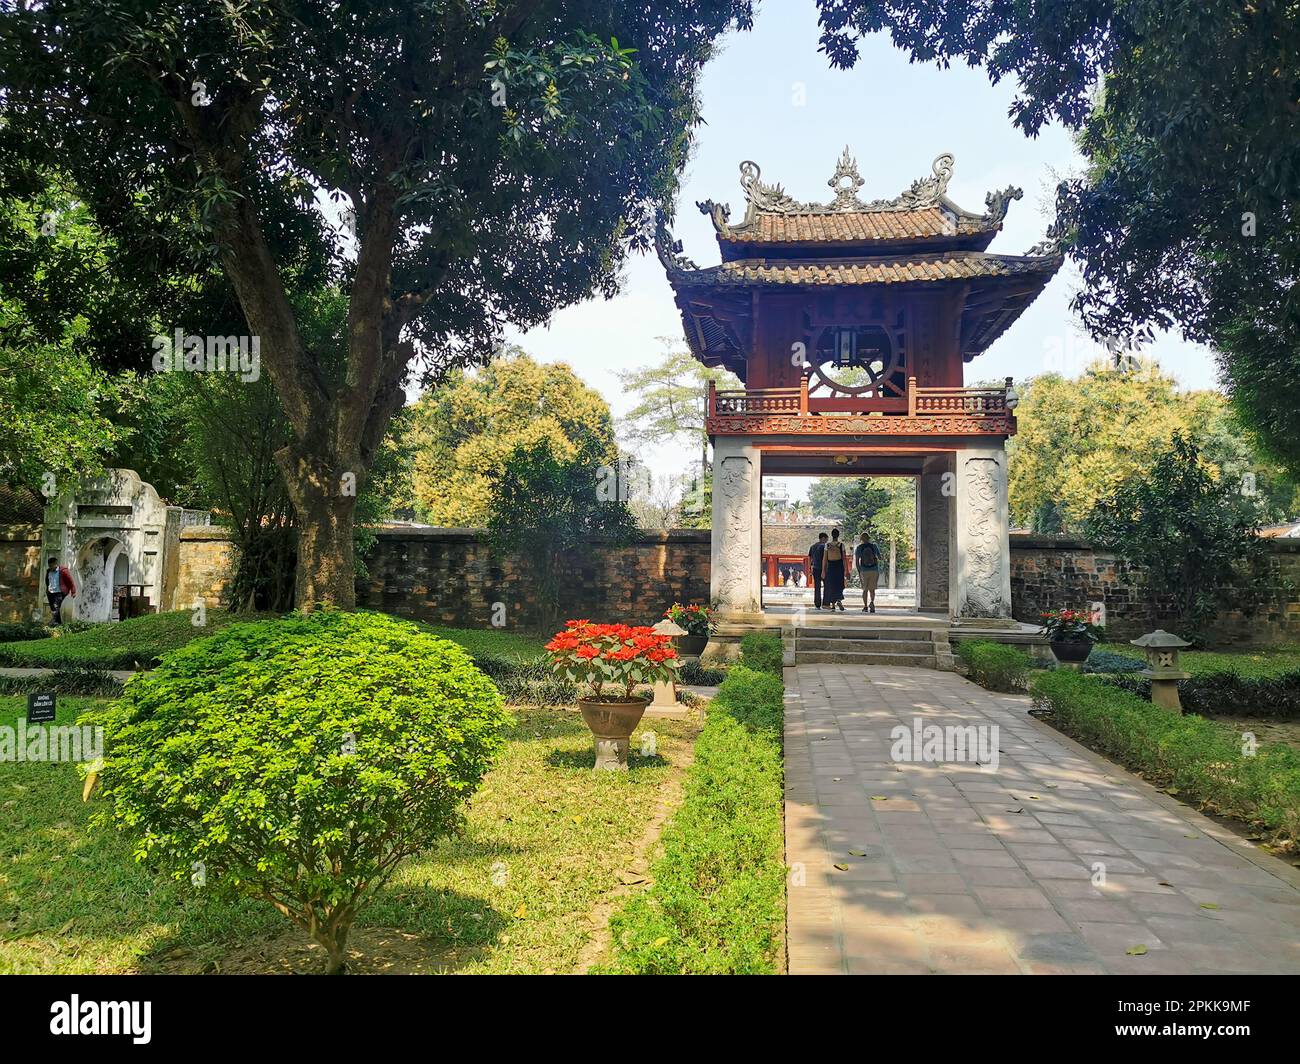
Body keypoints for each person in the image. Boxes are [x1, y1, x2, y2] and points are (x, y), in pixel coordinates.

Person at [45, 556, 76, 626]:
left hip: (60, 592)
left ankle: (52, 622)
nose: (50, 567)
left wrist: (73, 591)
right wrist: (47, 590)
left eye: (51, 565)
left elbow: (70, 581)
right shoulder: (48, 571)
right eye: (49, 566)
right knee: (54, 608)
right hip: (50, 593)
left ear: (55, 564)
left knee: (56, 607)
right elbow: (47, 581)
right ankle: (58, 624)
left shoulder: (63, 570)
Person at [855, 533, 881, 614]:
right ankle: (872, 603)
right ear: (869, 538)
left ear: (861, 539)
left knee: (865, 590)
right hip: (874, 570)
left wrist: (859, 571)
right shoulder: (874, 546)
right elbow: (880, 557)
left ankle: (865, 606)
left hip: (864, 570)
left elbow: (857, 561)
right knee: (872, 589)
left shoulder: (859, 547)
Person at [821, 528, 846, 611]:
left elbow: (824, 559)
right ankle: (838, 600)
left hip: (831, 566)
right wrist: (846, 570)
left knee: (831, 584)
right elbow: (844, 559)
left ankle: (832, 604)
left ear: (831, 535)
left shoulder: (827, 545)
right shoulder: (841, 545)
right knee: (839, 584)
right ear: (838, 535)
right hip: (839, 566)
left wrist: (823, 571)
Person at [808, 532, 828, 609]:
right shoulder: (824, 547)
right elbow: (825, 558)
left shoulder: (812, 546)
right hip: (823, 568)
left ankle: (817, 603)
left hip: (815, 568)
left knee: (817, 587)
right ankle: (825, 603)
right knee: (826, 586)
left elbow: (809, 557)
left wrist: (810, 567)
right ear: (823, 538)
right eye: (826, 539)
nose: (827, 540)